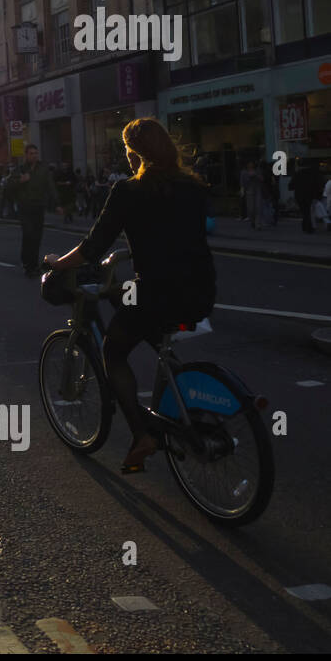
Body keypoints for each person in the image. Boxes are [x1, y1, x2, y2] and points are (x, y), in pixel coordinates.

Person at [43, 118, 216, 474]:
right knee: (127, 295)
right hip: (201, 289)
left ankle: (142, 436)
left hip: (157, 292)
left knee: (113, 352)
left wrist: (58, 263)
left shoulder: (128, 191)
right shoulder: (194, 186)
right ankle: (169, 366)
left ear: (132, 153)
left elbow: (93, 246)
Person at [17, 144, 63, 278]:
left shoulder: (43, 169)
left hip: (38, 206)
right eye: (31, 153)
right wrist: (20, 181)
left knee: (36, 237)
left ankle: (33, 265)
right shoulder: (20, 169)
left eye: (36, 153)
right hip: (24, 207)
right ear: (26, 155)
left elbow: (50, 186)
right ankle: (27, 262)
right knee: (28, 234)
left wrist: (57, 204)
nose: (34, 156)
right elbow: (9, 185)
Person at [292, 160, 323, 234]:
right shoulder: (314, 174)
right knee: (308, 211)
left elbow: (291, 186)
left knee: (304, 211)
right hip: (310, 195)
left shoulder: (297, 174)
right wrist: (318, 195)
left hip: (299, 195)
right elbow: (318, 185)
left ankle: (306, 226)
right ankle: (308, 227)